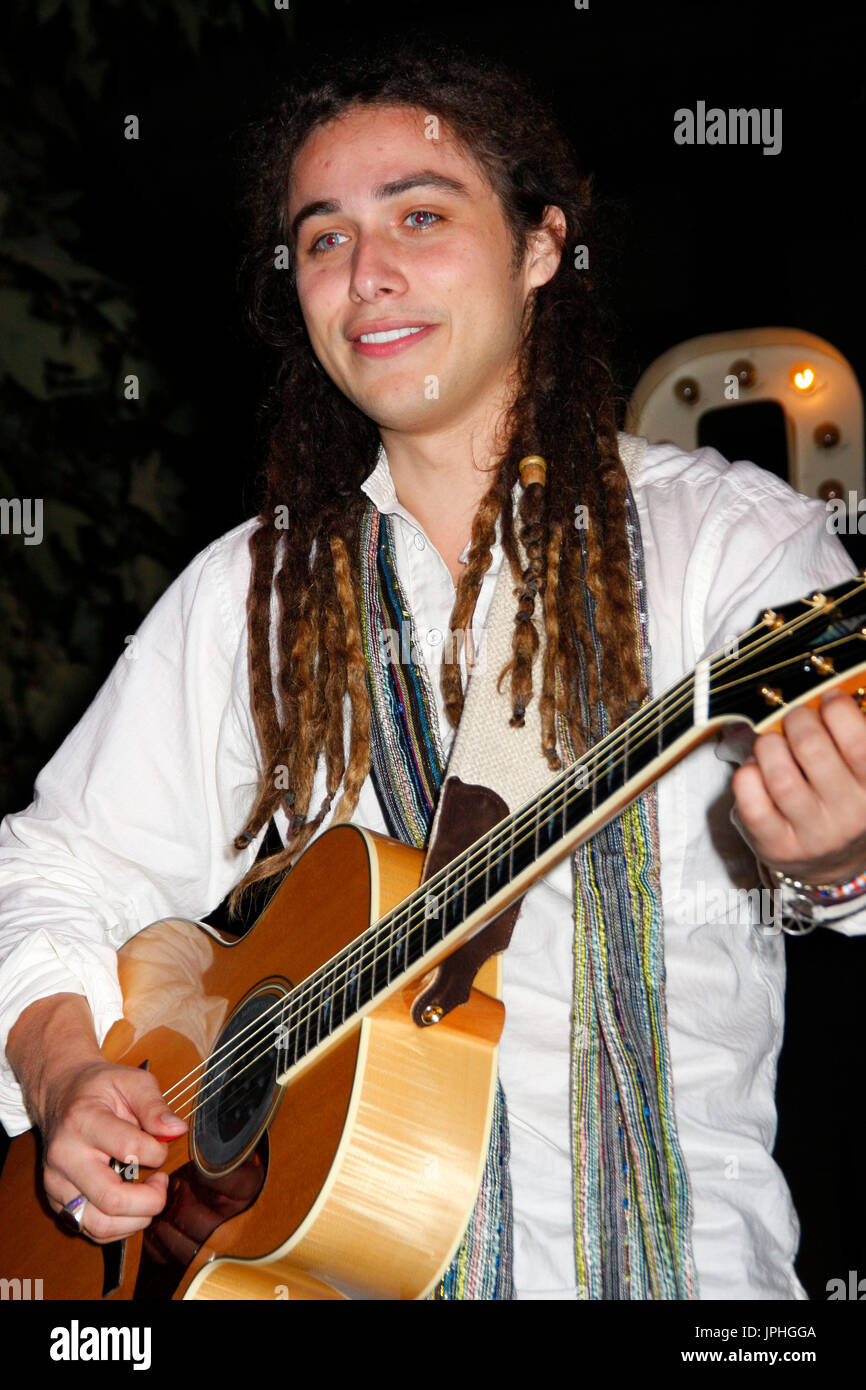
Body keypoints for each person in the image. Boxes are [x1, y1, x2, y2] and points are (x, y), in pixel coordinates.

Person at [2, 38, 865, 1300]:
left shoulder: (726, 549)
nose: (368, 274)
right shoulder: (249, 592)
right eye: (323, 238)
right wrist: (66, 1070)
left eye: (420, 214)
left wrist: (836, 857)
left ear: (536, 250)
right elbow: (51, 868)